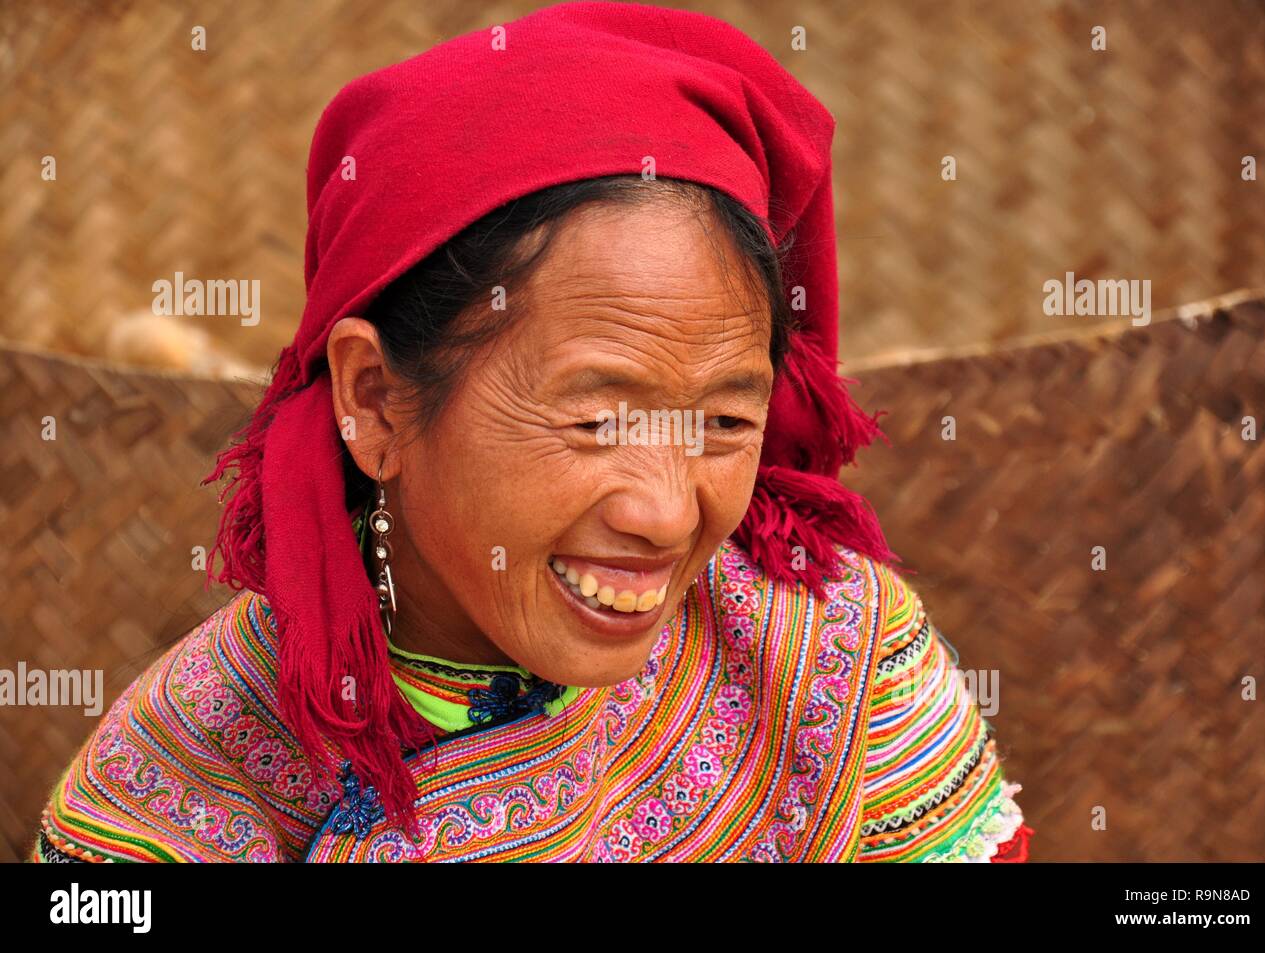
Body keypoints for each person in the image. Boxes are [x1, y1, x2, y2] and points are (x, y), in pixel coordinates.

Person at [32, 0, 1031, 862]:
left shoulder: (833, 660)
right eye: (596, 419)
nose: (665, 511)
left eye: (724, 419)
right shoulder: (190, 778)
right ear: (376, 399)